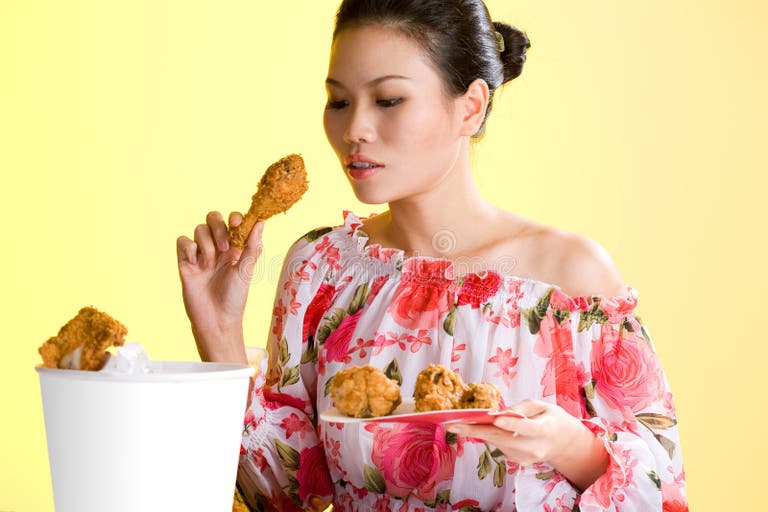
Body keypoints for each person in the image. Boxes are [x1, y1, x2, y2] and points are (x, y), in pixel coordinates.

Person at [176, 0, 688, 510]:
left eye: (389, 99)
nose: (354, 128)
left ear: (470, 106)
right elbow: (285, 495)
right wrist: (219, 332)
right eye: (338, 101)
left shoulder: (567, 280)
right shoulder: (320, 267)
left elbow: (661, 492)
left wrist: (569, 445)